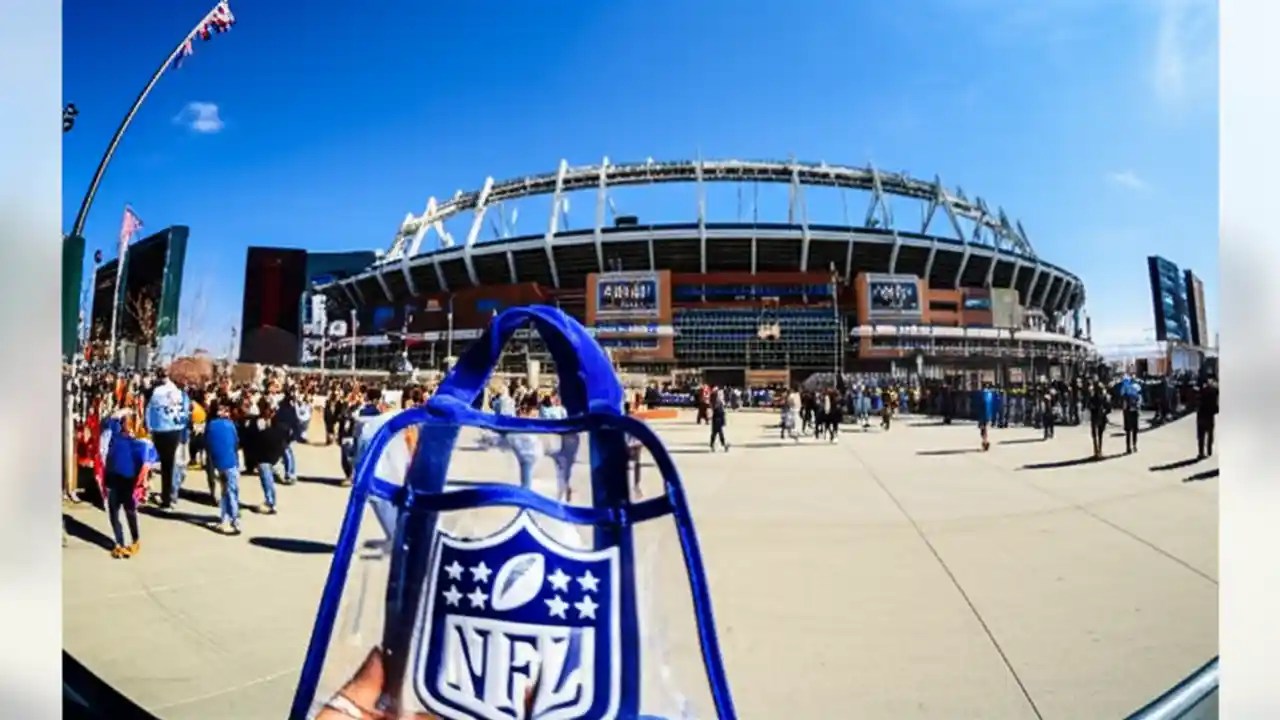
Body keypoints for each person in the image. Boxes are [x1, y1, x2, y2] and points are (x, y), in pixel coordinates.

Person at [102, 410, 149, 558]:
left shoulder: (139, 442)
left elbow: (146, 463)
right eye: (124, 422)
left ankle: (135, 540)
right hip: (113, 477)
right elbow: (105, 423)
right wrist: (118, 413)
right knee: (114, 512)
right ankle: (119, 542)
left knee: (130, 512)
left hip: (128, 480)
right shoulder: (115, 435)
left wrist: (143, 482)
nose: (126, 425)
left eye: (129, 423)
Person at [145, 369, 191, 509]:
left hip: (159, 429)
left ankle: (150, 491)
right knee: (168, 465)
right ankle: (168, 498)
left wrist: (149, 426)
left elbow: (148, 410)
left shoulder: (155, 391)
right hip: (174, 430)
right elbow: (185, 411)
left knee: (152, 461)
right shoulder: (179, 393)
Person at [205, 401, 244, 534]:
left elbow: (208, 444)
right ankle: (234, 520)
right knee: (231, 492)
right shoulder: (230, 425)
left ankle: (225, 518)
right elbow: (236, 442)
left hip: (218, 463)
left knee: (224, 492)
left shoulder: (210, 425)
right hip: (230, 461)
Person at [1196, 377, 1219, 458]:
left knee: (1201, 436)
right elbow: (1216, 406)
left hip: (1201, 414)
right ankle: (1209, 451)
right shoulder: (1214, 391)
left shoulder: (1201, 390)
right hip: (1209, 416)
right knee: (1210, 434)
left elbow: (1196, 401)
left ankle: (1201, 453)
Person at [1088, 382, 1110, 459]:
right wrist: (1105, 412)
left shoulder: (1092, 397)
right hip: (1101, 417)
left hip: (1095, 417)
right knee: (1100, 434)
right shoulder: (1104, 397)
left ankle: (1096, 450)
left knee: (1095, 435)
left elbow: (1089, 406)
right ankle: (1099, 450)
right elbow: (1108, 407)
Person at [1121, 381, 1141, 454]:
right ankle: (1134, 446)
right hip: (1133, 413)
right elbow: (1139, 404)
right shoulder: (1137, 395)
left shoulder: (1126, 395)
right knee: (1134, 431)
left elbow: (1124, 406)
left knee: (1129, 431)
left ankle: (1129, 447)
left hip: (1128, 414)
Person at [978, 383, 995, 452]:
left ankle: (985, 442)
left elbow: (979, 405)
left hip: (983, 414)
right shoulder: (990, 394)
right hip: (988, 414)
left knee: (983, 429)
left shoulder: (982, 395)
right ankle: (985, 441)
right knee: (984, 428)